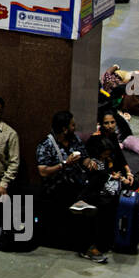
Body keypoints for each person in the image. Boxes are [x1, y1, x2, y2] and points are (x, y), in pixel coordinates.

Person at [35, 110, 111, 263]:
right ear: (64, 129)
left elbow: (84, 157)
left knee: (102, 172)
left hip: (77, 181)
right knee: (84, 210)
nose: (75, 128)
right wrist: (64, 164)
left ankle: (81, 201)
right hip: (58, 185)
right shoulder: (46, 145)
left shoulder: (74, 139)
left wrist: (89, 163)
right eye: (72, 125)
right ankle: (87, 248)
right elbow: (43, 172)